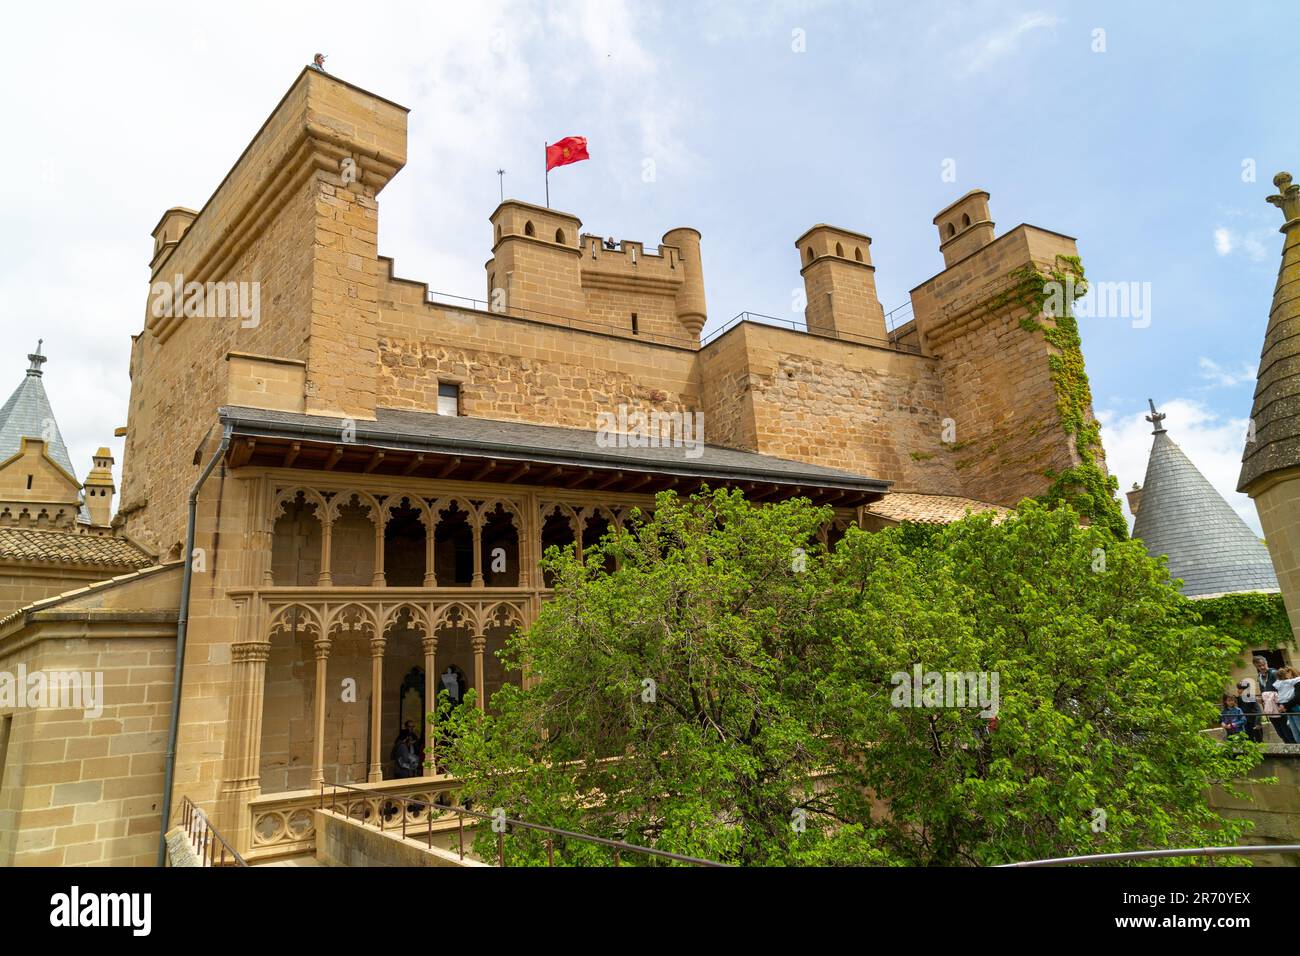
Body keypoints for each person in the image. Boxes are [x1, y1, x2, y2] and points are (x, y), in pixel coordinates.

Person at [1254, 656, 1294, 743]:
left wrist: (1282, 704)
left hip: (1280, 707)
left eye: (1263, 664)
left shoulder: (1274, 673)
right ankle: (1289, 752)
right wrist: (1262, 699)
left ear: (1266, 663)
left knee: (1287, 731)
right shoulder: (1260, 677)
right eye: (1259, 666)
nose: (1262, 667)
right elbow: (1263, 692)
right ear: (1256, 667)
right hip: (1270, 709)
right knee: (1280, 733)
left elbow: (1283, 688)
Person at [1274, 667, 1300, 744]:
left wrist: (1284, 706)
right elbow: (1281, 695)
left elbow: (1298, 698)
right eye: (1285, 673)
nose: (1286, 674)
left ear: (1292, 672)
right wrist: (1281, 705)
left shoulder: (1297, 682)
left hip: (1296, 710)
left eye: (1288, 672)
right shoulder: (1284, 684)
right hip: (1289, 711)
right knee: (1296, 735)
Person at [1237, 677, 1264, 743]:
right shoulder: (1239, 699)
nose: (1238, 690)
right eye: (1238, 689)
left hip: (1254, 722)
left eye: (1240, 689)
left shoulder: (1251, 698)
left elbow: (1258, 711)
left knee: (1259, 740)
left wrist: (1257, 723)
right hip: (1246, 722)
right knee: (1249, 740)